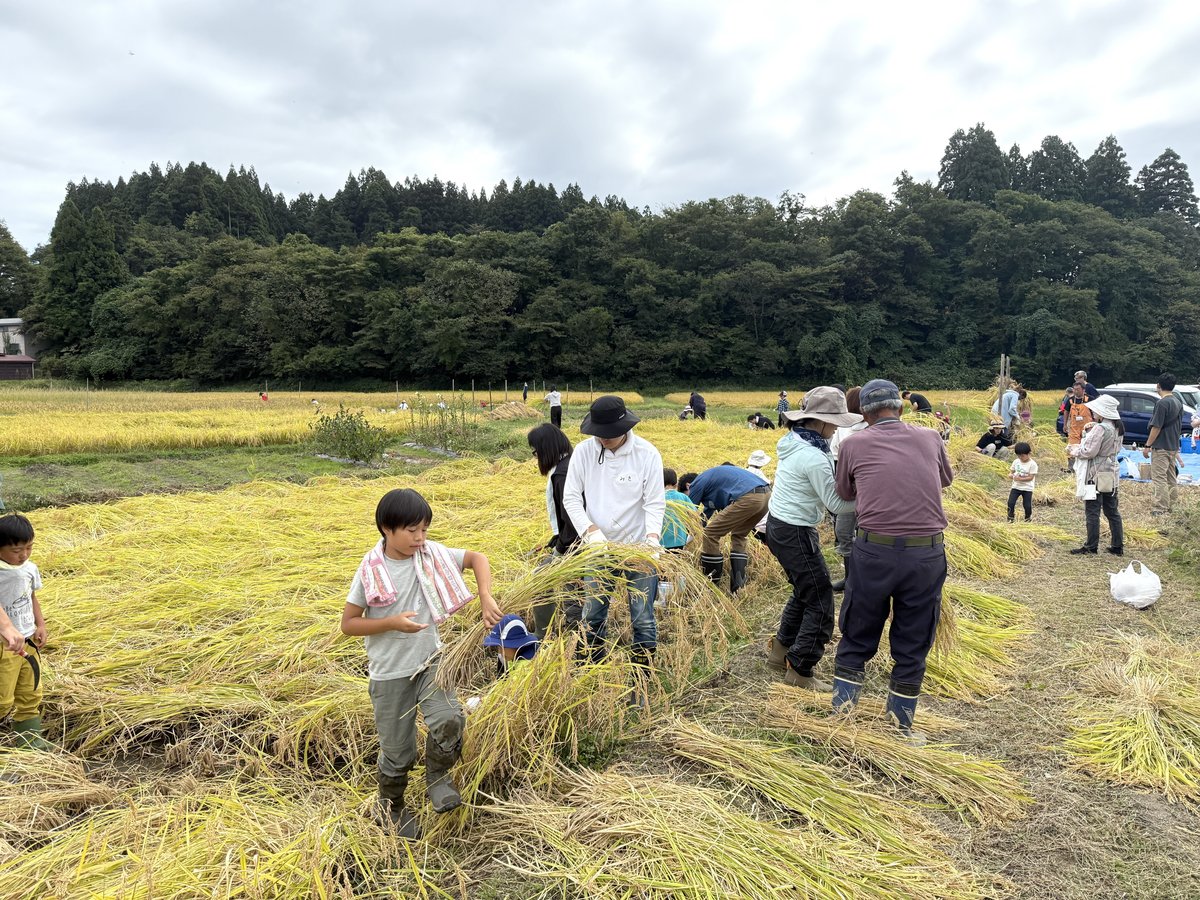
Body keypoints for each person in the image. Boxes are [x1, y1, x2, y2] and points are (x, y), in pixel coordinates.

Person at [340, 488, 503, 838]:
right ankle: (392, 805)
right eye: (412, 530)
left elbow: (477, 558)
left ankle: (439, 777)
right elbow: (349, 624)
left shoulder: (431, 555)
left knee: (449, 719)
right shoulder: (370, 571)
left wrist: (486, 596)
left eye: (425, 529)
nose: (420, 538)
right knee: (398, 753)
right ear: (387, 528)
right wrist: (391, 622)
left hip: (431, 662)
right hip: (390, 674)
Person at [831, 379, 953, 741]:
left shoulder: (854, 444)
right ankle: (899, 728)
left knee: (857, 629)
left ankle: (842, 720)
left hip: (873, 551)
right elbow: (945, 479)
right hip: (925, 553)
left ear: (864, 414)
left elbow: (844, 493)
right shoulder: (931, 438)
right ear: (901, 407)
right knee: (914, 636)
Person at [764, 387, 861, 691]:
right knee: (820, 601)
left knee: (804, 592)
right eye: (834, 424)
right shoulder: (814, 457)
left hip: (779, 526)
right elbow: (837, 504)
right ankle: (800, 668)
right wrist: (872, 494)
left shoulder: (793, 441)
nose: (835, 430)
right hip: (795, 532)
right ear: (819, 422)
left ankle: (780, 653)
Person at [563, 396, 665, 666]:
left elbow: (654, 502)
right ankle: (590, 666)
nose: (602, 439)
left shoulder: (647, 454)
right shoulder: (584, 452)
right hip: (599, 549)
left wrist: (652, 538)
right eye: (598, 433)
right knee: (593, 612)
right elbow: (571, 498)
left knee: (642, 615)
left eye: (608, 434)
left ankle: (642, 673)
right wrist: (590, 531)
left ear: (624, 428)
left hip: (638, 547)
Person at [0, 514, 51, 751]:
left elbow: (31, 597)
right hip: (5, 645)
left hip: (27, 639)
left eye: (29, 547)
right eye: (16, 550)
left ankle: (30, 740)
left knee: (31, 690)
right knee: (2, 698)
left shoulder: (30, 568)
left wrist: (40, 625)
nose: (24, 555)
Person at [527, 423, 582, 637]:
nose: (536, 457)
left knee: (545, 578)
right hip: (578, 540)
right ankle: (576, 632)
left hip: (576, 544)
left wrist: (560, 548)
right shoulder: (571, 463)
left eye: (535, 452)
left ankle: (546, 635)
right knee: (574, 588)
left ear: (545, 449)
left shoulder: (562, 474)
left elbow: (572, 519)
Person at [687, 463, 772, 592]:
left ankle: (711, 588)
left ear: (688, 486)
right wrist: (696, 530)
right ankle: (738, 589)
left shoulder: (696, 484)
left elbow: (689, 512)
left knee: (710, 534)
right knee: (739, 534)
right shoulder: (712, 483)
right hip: (766, 495)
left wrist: (684, 538)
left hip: (749, 497)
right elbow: (704, 516)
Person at [1068, 395, 1124, 556]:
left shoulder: (1100, 428)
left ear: (1102, 412)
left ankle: (1091, 546)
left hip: (1095, 473)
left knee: (1092, 510)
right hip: (1111, 471)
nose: (1093, 413)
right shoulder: (1118, 427)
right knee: (1112, 510)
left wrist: (1073, 450)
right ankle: (1117, 545)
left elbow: (1089, 452)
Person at [827, 386, 867, 591]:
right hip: (848, 488)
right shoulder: (842, 428)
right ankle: (850, 578)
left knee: (868, 532)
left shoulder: (873, 427)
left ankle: (864, 578)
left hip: (871, 490)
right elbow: (835, 457)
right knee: (843, 532)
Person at [1142, 373, 1183, 516]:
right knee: (1171, 478)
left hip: (1161, 446)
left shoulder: (1162, 403)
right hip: (1172, 445)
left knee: (1159, 478)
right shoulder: (1178, 402)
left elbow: (1156, 427)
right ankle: (1173, 505)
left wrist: (1147, 445)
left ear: (1158, 385)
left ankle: (1160, 508)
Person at [662, 469, 699, 552]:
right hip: (679, 540)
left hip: (660, 540)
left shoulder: (657, 497)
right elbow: (695, 516)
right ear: (676, 484)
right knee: (676, 563)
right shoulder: (683, 497)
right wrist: (690, 537)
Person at [1063, 383, 1096, 466]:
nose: (1076, 391)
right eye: (1074, 389)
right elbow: (1066, 411)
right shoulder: (1070, 400)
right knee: (1072, 446)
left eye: (1078, 389)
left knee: (1087, 446)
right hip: (1074, 428)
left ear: (1083, 390)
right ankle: (1071, 466)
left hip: (1088, 428)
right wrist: (1065, 424)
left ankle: (1086, 465)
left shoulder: (1089, 399)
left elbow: (1095, 412)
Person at [1007, 442, 1037, 522]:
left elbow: (1030, 477)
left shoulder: (1032, 464)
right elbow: (1011, 472)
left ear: (1029, 453)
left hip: (1027, 488)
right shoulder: (1016, 462)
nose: (1020, 457)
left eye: (1022, 455)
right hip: (1016, 486)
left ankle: (1028, 518)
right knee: (1011, 503)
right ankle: (1010, 517)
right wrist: (1011, 475)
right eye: (1018, 455)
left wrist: (1019, 479)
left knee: (1027, 505)